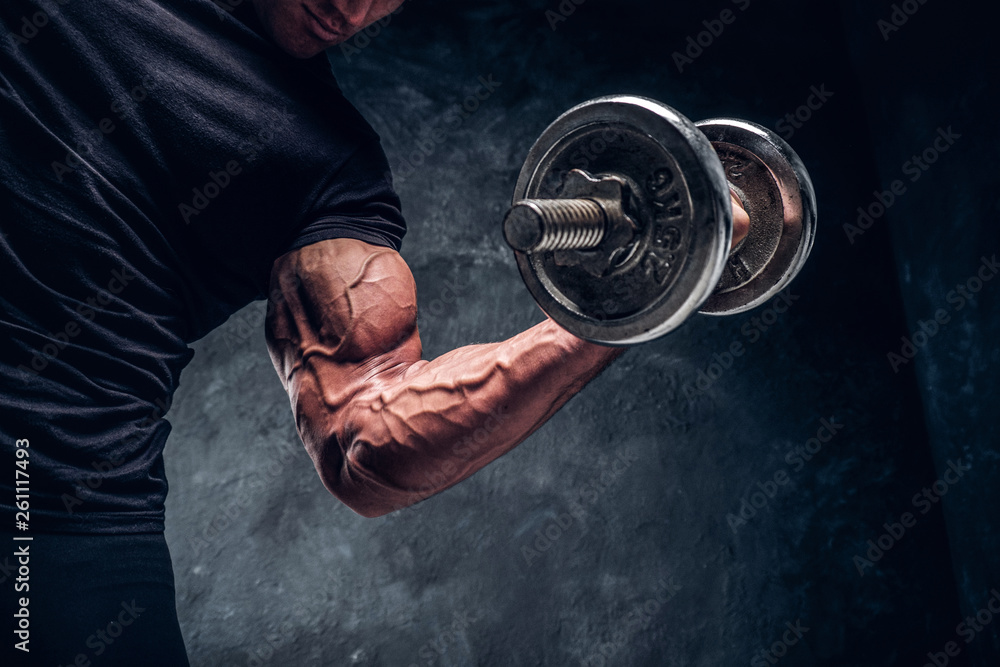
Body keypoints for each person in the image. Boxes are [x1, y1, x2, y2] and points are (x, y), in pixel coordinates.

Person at [0, 1, 748, 663]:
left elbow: (364, 441)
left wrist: (635, 305)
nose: (353, 8)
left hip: (42, 501)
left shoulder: (326, 167)